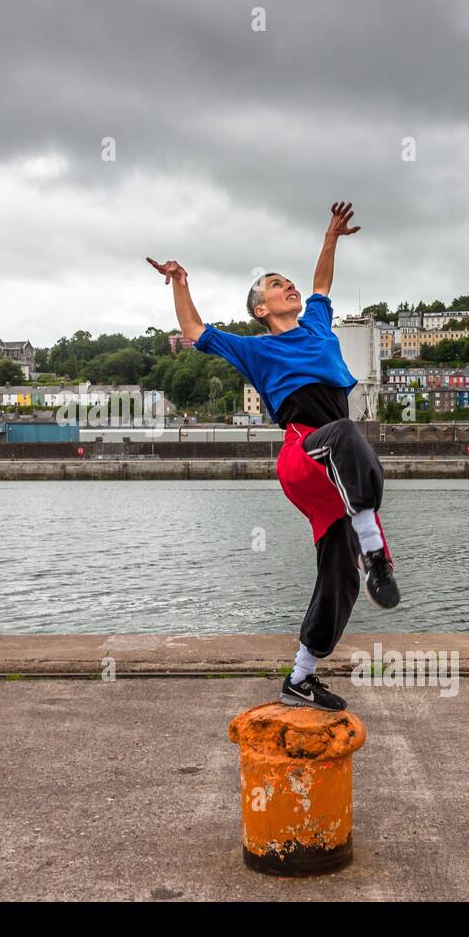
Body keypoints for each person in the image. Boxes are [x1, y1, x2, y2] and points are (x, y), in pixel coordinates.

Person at [148, 201, 399, 711]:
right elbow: (196, 332)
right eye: (276, 284)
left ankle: (301, 676)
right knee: (346, 434)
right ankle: (375, 549)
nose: (290, 287)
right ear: (262, 309)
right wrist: (179, 280)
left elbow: (322, 282)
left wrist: (331, 236)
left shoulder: (319, 326)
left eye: (289, 282)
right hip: (305, 452)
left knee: (340, 577)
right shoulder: (255, 349)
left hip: (338, 471)